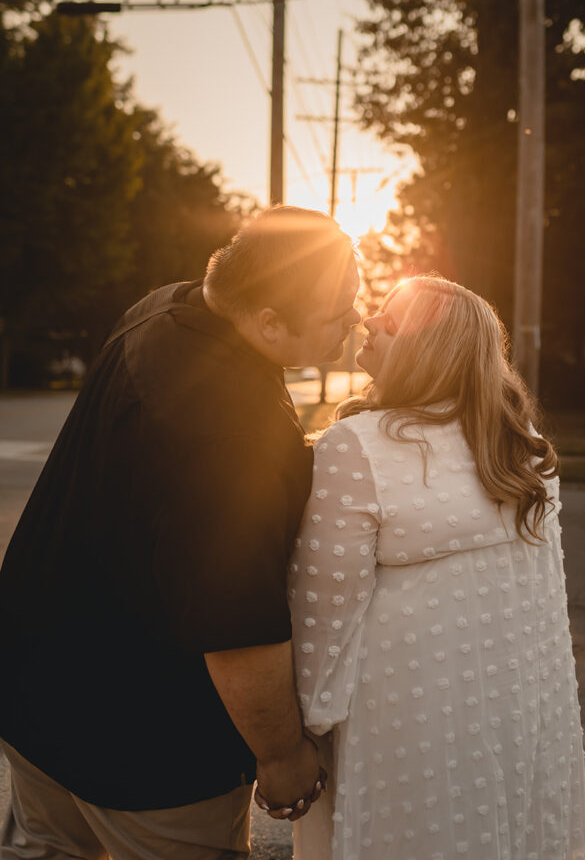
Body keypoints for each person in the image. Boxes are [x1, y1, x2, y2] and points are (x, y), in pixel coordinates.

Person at [0, 206, 360, 860]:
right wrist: (283, 760)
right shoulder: (235, 433)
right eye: (339, 312)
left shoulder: (158, 308)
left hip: (32, 691)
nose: (355, 323)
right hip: (144, 748)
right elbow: (237, 630)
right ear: (268, 323)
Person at [289, 275, 585, 860]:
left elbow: (322, 620)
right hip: (516, 713)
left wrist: (306, 730)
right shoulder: (522, 447)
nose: (366, 322)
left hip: (402, 725)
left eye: (391, 321)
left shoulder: (357, 446)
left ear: (430, 350)